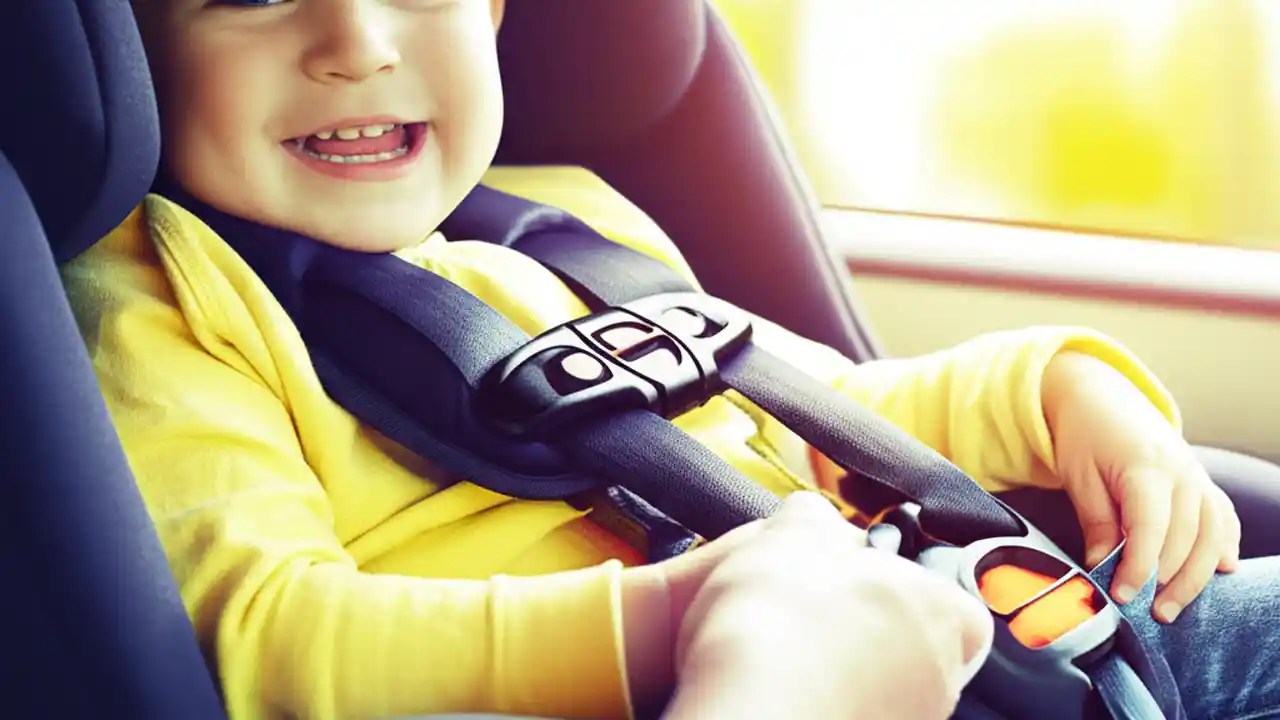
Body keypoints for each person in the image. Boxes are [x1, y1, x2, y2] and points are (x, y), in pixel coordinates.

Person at [59, 1, 1280, 718]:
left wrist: (1057, 387)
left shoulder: (563, 232)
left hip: (994, 653)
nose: (357, 40)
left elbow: (829, 416)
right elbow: (262, 638)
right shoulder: (156, 303)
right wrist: (675, 622)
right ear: (133, 49)